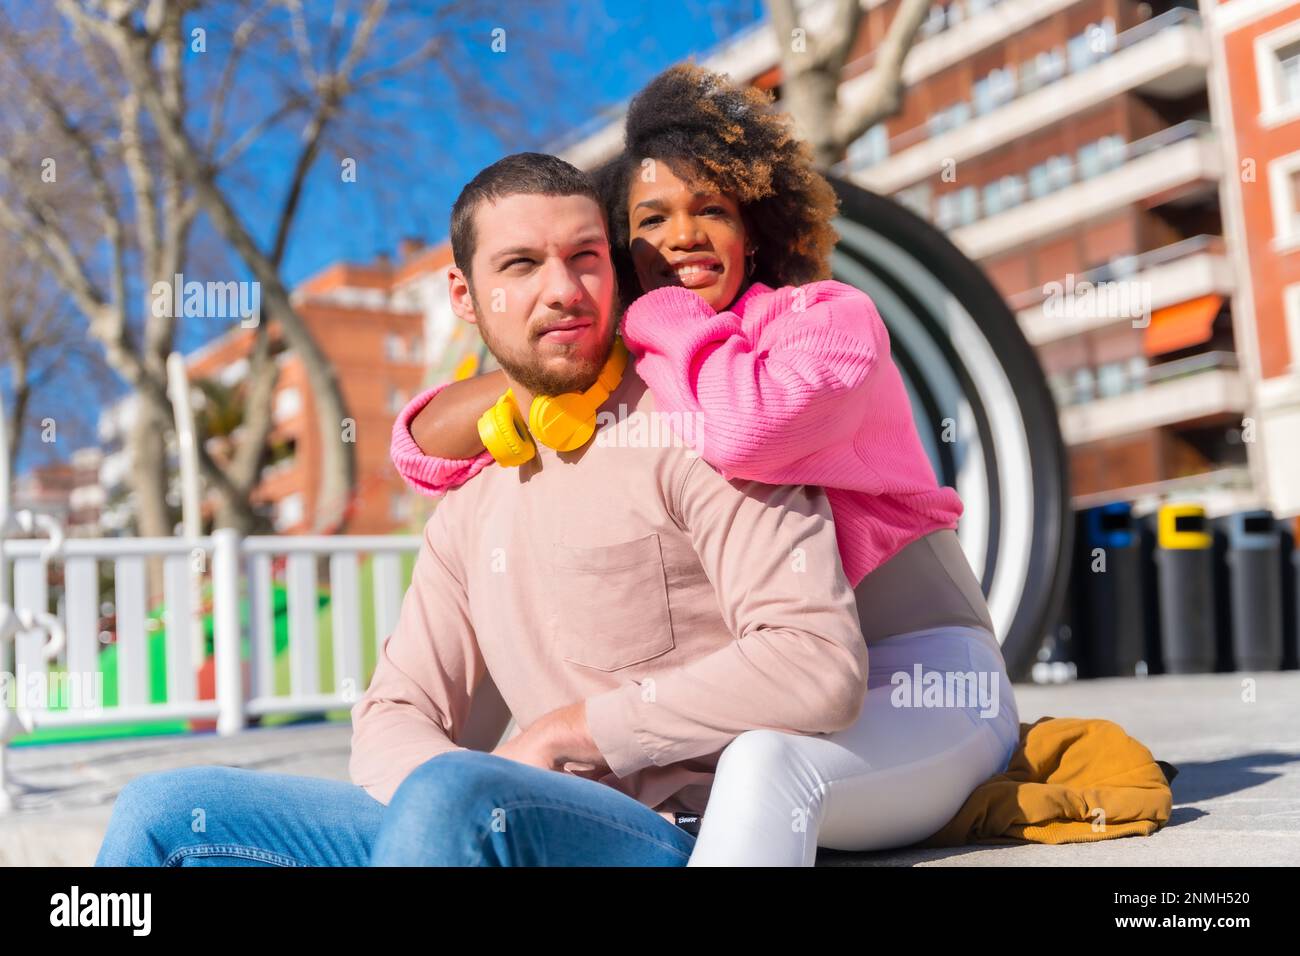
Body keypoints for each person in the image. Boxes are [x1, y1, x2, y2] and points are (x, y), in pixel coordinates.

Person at [94, 151, 870, 867]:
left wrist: (573, 734)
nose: (562, 290)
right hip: (477, 819)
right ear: (464, 295)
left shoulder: (703, 423)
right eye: (522, 265)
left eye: (585, 259)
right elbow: (397, 711)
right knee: (161, 815)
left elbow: (816, 661)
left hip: (676, 833)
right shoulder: (474, 493)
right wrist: (442, 805)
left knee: (457, 796)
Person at [388, 64, 1022, 866]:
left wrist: (655, 315)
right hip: (810, 698)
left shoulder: (824, 318)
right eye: (651, 218)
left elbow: (749, 428)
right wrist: (535, 376)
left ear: (754, 228)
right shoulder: (657, 359)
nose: (682, 235)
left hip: (929, 688)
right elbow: (420, 452)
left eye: (711, 210)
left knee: (763, 768)